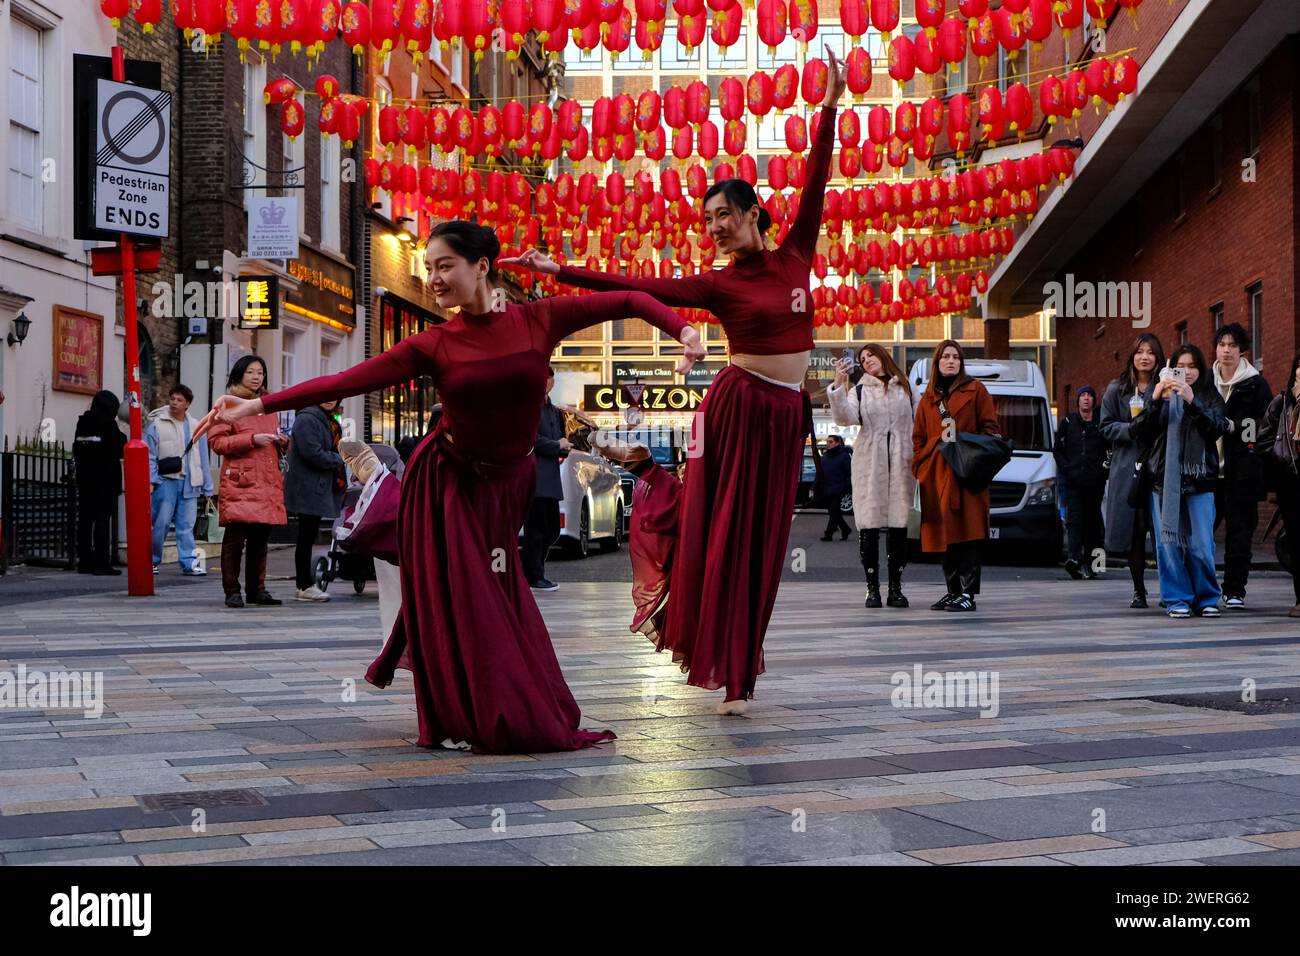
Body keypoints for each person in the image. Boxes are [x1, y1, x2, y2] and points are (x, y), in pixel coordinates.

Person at [210, 220, 704, 754]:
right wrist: (258, 404)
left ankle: (494, 706)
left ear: (482, 267)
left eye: (445, 266)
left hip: (508, 485)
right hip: (445, 483)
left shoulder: (540, 319)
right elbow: (346, 380)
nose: (435, 279)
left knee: (496, 587)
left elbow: (631, 297)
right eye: (429, 268)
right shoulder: (436, 342)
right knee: (466, 595)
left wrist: (685, 332)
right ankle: (473, 714)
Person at [504, 47, 847, 714]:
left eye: (724, 214)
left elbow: (817, 182)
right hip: (737, 409)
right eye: (708, 219)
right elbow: (635, 286)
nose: (714, 227)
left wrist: (830, 106)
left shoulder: (797, 252)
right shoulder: (718, 282)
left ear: (753, 212)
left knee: (765, 546)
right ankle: (717, 655)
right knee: (722, 536)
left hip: (783, 419)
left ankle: (743, 666)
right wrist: (559, 270)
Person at [1133, 344, 1226, 619]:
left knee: (1200, 544)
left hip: (1201, 480)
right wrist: (1156, 400)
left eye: (1192, 366)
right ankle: (1176, 598)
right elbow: (1139, 432)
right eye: (1180, 367)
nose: (1186, 372)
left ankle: (1207, 597)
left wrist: (1192, 401)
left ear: (1201, 369)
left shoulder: (1209, 395)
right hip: (1164, 481)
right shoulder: (1158, 393)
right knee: (1168, 544)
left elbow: (1217, 429)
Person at [912, 340, 1000, 612]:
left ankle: (968, 594)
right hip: (936, 475)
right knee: (944, 535)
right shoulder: (928, 398)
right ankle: (952, 591)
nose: (951, 361)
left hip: (967, 473)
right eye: (945, 357)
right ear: (938, 362)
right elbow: (917, 439)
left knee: (969, 533)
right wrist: (923, 466)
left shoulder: (976, 390)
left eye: (956, 357)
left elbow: (991, 431)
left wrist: (964, 442)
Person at [827, 343, 917, 608]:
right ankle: (872, 589)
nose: (867, 361)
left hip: (902, 460)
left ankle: (896, 588)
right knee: (869, 527)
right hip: (870, 462)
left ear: (883, 356)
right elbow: (844, 419)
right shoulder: (860, 390)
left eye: (870, 355)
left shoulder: (907, 387)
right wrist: (838, 385)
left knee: (900, 526)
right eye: (862, 359)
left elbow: (921, 420)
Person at [208, 356, 289, 609]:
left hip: (266, 480)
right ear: (239, 374)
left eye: (261, 372)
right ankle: (232, 590)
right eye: (251, 372)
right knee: (235, 539)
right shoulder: (227, 405)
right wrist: (252, 439)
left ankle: (257, 589)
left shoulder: (267, 406)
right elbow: (217, 443)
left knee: (260, 539)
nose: (257, 377)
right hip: (241, 481)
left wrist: (282, 442)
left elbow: (274, 439)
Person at [1100, 334, 1165, 609]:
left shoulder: (1165, 387)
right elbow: (1104, 426)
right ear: (1132, 355)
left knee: (1163, 531)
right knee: (1136, 530)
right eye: (1140, 351)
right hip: (1129, 467)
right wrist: (1130, 429)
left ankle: (1171, 589)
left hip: (1159, 464)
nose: (1145, 357)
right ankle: (1139, 590)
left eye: (1150, 352)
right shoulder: (1117, 389)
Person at [1212, 323, 1271, 610]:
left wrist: (1237, 427)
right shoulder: (1205, 382)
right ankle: (1198, 588)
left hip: (1242, 472)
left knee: (1239, 534)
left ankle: (1235, 590)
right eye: (1222, 344)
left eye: (1232, 345)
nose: (1226, 350)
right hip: (1208, 471)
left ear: (1242, 349)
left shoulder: (1255, 383)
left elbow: (1266, 423)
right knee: (1199, 534)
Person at [145, 385, 214, 575]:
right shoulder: (157, 425)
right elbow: (149, 455)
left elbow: (203, 458)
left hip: (190, 482)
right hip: (165, 481)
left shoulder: (197, 426)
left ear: (187, 404)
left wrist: (208, 487)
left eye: (179, 400)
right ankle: (151, 560)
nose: (174, 402)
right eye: (172, 398)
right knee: (161, 523)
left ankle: (189, 562)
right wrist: (153, 479)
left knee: (186, 526)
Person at [283, 398, 346, 602]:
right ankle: (304, 585)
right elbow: (313, 453)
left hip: (317, 485)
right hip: (307, 486)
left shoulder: (329, 420)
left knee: (308, 535)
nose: (330, 401)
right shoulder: (308, 418)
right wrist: (341, 459)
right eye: (325, 396)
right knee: (306, 536)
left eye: (334, 397)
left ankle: (305, 584)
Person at [1259, 349, 1300, 617]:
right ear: (1295, 370)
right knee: (1296, 540)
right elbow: (1262, 438)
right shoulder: (1281, 403)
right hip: (1291, 479)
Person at [521, 367, 569, 591]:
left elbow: (559, 439)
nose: (547, 381)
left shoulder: (553, 410)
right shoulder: (529, 407)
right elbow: (529, 439)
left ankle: (531, 570)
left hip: (551, 477)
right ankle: (534, 575)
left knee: (552, 530)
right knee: (536, 530)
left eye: (550, 377)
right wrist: (556, 446)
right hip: (534, 476)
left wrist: (565, 447)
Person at [1054, 385, 1108, 580]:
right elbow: (1057, 450)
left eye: (1089, 396)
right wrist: (1067, 469)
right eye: (1082, 396)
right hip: (1073, 481)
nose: (1086, 399)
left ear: (1094, 400)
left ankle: (1095, 564)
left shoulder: (1101, 422)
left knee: (1094, 523)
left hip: (1095, 482)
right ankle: (1074, 559)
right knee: (1074, 520)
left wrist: (1104, 469)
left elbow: (1110, 449)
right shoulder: (1068, 422)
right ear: (1077, 400)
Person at [72, 389, 127, 575]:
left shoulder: (83, 423)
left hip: (85, 478)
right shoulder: (108, 425)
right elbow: (120, 447)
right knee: (103, 520)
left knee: (86, 521)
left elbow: (77, 449)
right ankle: (101, 562)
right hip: (105, 480)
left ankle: (85, 560)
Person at [818, 434, 853, 542]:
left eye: (831, 442)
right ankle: (845, 529)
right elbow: (820, 473)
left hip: (839, 488)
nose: (828, 444)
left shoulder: (844, 455)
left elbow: (849, 472)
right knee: (834, 512)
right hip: (827, 487)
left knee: (833, 510)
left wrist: (846, 487)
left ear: (838, 443)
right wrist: (816, 486)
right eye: (827, 442)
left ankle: (828, 534)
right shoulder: (825, 456)